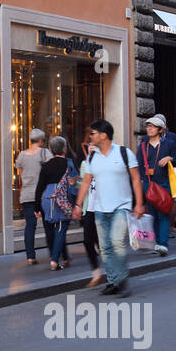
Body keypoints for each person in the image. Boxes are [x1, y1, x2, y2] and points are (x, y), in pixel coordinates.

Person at [71, 119, 145, 298]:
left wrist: (139, 203)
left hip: (122, 206)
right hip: (99, 208)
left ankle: (122, 280)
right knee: (105, 248)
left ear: (103, 135)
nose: (90, 137)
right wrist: (79, 204)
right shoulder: (92, 157)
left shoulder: (124, 153)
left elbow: (136, 179)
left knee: (116, 242)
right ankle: (113, 281)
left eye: (93, 133)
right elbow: (86, 182)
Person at [138, 114, 176, 257]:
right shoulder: (143, 145)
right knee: (152, 215)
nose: (149, 129)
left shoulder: (169, 144)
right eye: (148, 126)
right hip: (148, 184)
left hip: (164, 183)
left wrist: (170, 158)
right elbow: (138, 166)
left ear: (160, 130)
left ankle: (163, 244)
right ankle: (156, 243)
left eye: (152, 127)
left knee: (163, 214)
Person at [35, 136, 75, 272]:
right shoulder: (69, 164)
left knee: (50, 230)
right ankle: (54, 260)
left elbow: (39, 187)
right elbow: (75, 185)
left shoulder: (46, 165)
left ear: (51, 150)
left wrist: (37, 207)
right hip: (62, 199)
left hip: (47, 198)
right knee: (60, 230)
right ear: (64, 149)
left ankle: (62, 257)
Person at [14, 130, 51, 266]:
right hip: (42, 194)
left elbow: (20, 173)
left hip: (27, 194)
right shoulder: (45, 153)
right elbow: (51, 169)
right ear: (41, 141)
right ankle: (53, 254)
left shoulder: (22, 155)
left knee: (30, 225)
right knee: (48, 225)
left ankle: (30, 257)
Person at [75, 129, 103, 287]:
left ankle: (113, 272)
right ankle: (96, 273)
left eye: (95, 145)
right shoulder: (85, 164)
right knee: (87, 241)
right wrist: (78, 205)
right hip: (89, 207)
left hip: (105, 207)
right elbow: (84, 184)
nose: (92, 147)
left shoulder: (106, 162)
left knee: (103, 243)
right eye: (90, 145)